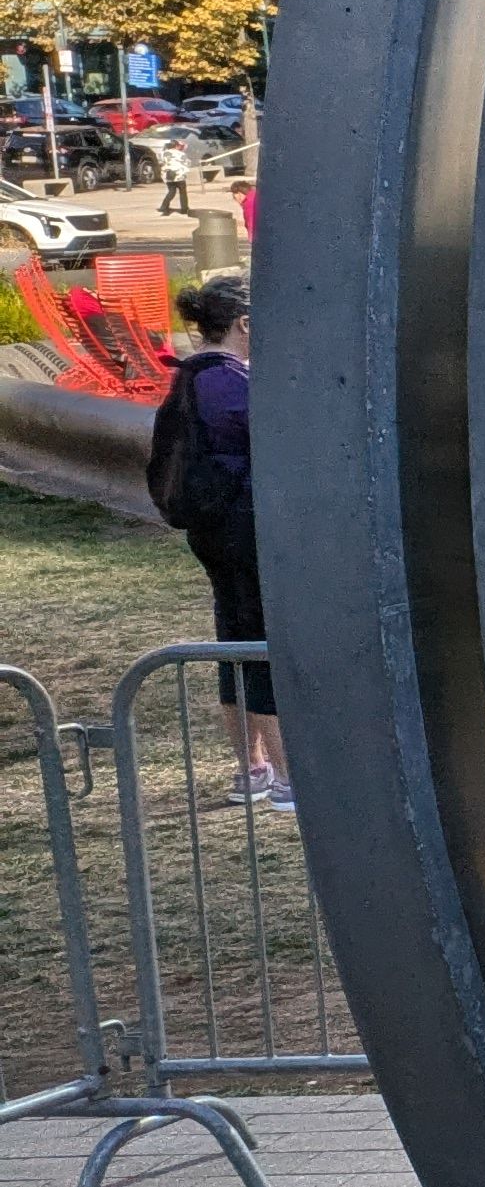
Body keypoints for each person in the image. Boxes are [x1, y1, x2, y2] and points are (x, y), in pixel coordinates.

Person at [158, 280, 284, 808]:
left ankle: (250, 769)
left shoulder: (188, 376)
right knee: (260, 645)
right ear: (245, 324)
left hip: (212, 528)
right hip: (243, 524)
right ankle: (284, 778)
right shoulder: (231, 383)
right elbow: (277, 437)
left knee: (233, 637)